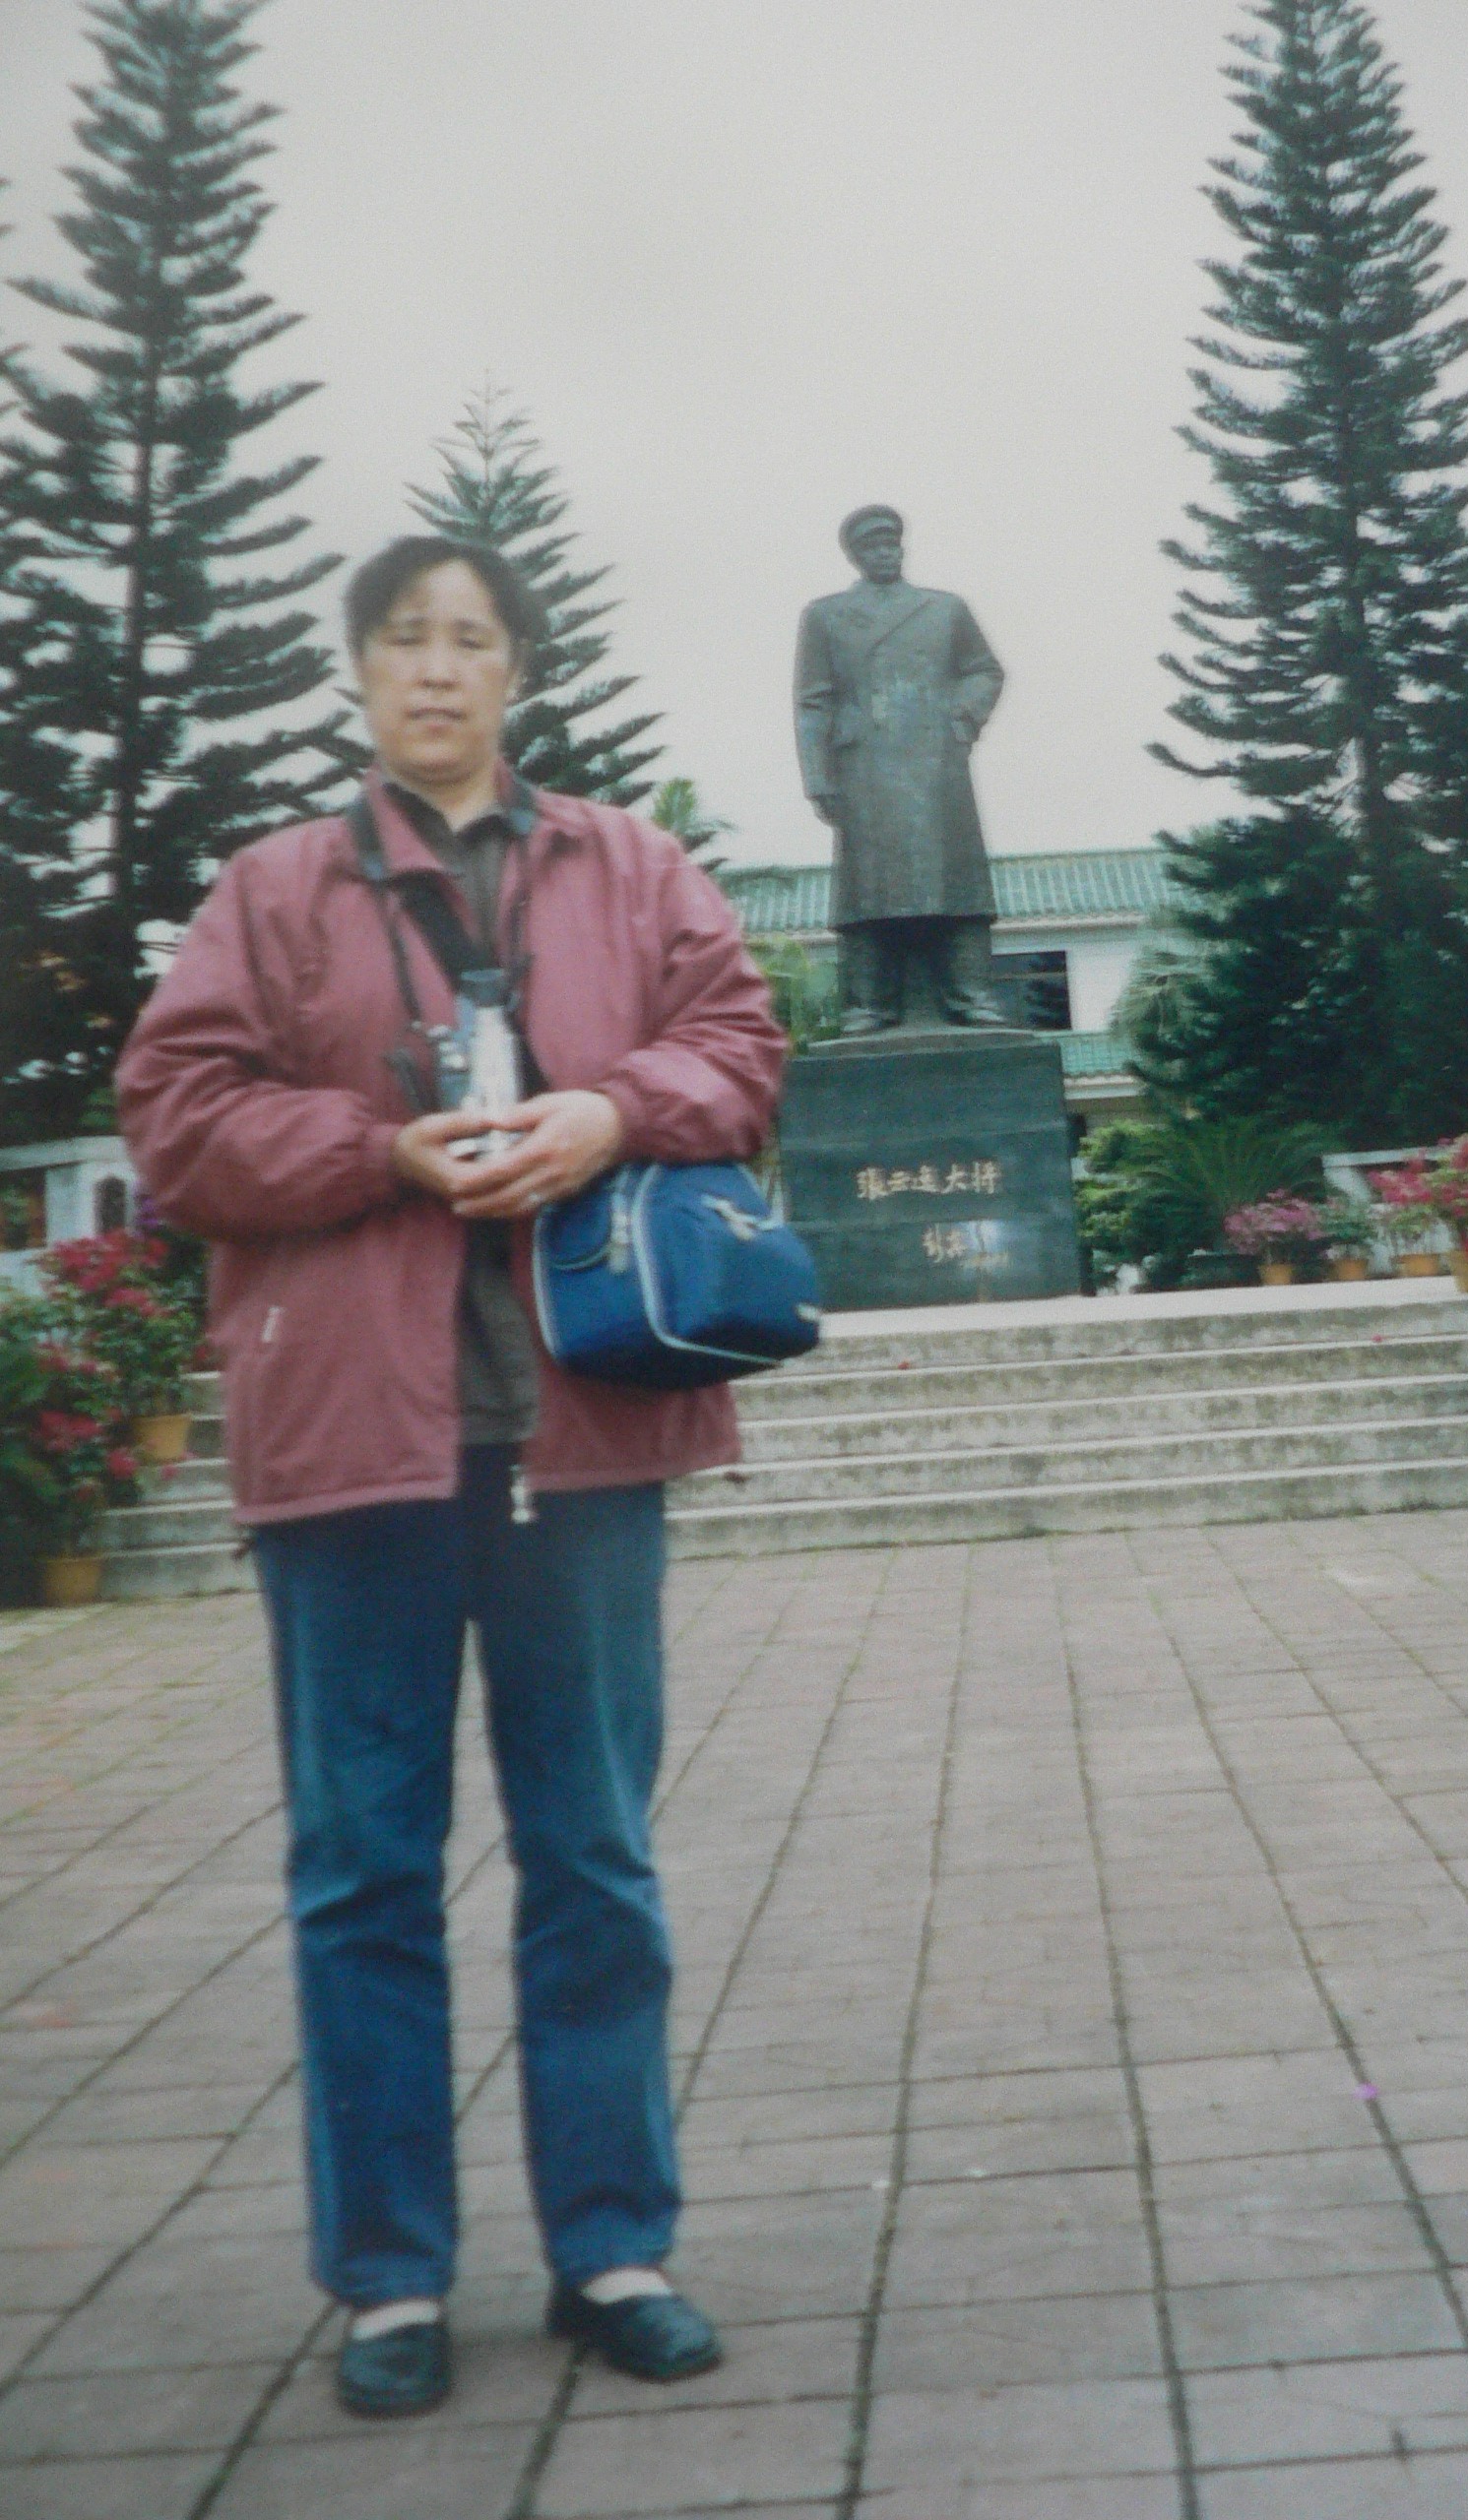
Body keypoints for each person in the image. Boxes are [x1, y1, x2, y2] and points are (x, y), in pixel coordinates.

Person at [116, 536, 786, 2420]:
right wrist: (383, 1150)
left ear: (516, 671)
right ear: (358, 671)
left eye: (469, 638)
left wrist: (605, 1109)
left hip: (581, 1437)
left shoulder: (633, 865)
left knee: (594, 1855)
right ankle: (391, 2276)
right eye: (403, 638)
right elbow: (177, 1115)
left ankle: (614, 2246)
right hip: (352, 1453)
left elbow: (739, 1046)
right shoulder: (272, 890)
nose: (436, 668)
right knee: (360, 1872)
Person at [793, 504, 1009, 1031]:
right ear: (855, 554)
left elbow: (984, 671)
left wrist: (960, 717)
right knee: (869, 885)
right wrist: (818, 776)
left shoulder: (944, 609)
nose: (885, 553)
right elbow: (812, 701)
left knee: (954, 877)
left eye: (892, 544)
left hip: (937, 764)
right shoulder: (826, 616)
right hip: (863, 765)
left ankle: (970, 993)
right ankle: (870, 1001)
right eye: (872, 547)